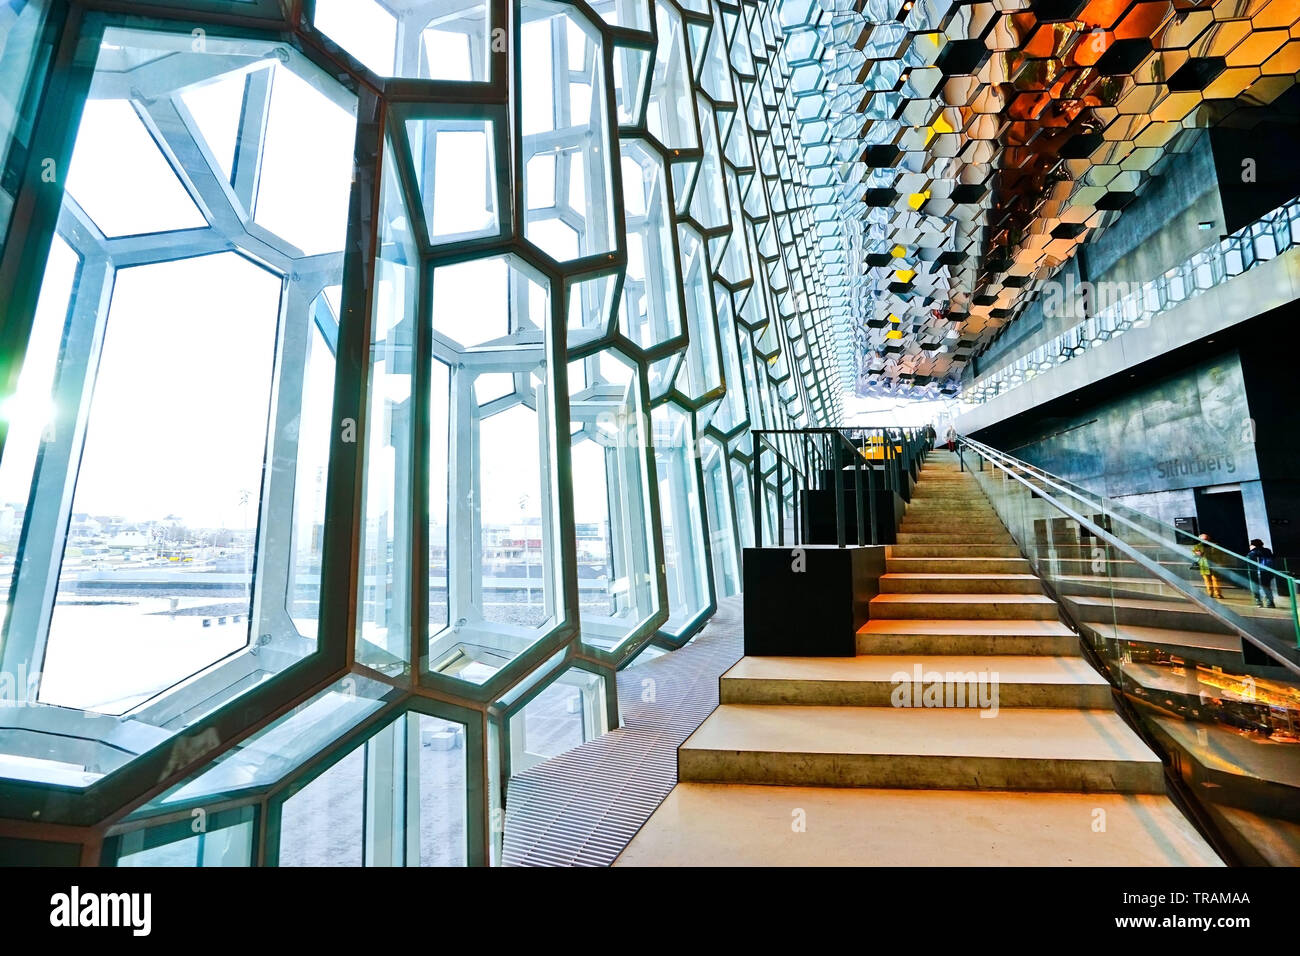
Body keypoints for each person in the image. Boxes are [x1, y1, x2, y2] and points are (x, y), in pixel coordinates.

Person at [1246, 538, 1277, 609]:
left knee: (1255, 587)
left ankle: (1259, 602)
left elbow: (1247, 560)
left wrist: (1252, 550)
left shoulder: (1253, 552)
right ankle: (1270, 602)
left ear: (1253, 545)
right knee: (1266, 587)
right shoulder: (1267, 550)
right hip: (1268, 571)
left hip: (1257, 571)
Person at [1192, 533, 1223, 600]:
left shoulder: (1214, 545)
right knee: (1207, 580)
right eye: (1203, 539)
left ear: (1208, 539)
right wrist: (1197, 554)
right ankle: (1210, 593)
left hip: (1214, 565)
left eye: (1206, 539)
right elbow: (1194, 555)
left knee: (1215, 580)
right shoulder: (1197, 546)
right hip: (1204, 565)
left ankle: (1218, 593)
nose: (1205, 541)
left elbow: (1219, 555)